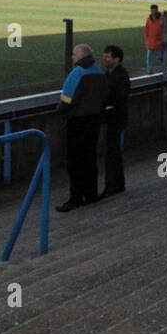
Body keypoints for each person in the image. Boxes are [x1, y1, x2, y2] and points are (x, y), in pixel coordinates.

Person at [55, 43, 108, 212]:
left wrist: (62, 113)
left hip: (77, 122)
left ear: (81, 56)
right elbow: (105, 97)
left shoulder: (77, 73)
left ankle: (75, 198)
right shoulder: (99, 72)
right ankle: (91, 195)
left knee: (74, 161)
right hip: (94, 121)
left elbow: (66, 100)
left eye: (74, 54)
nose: (72, 57)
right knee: (90, 158)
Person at [101, 45, 131, 197]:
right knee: (113, 152)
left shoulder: (120, 75)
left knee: (112, 153)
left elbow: (119, 98)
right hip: (113, 118)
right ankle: (116, 184)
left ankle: (112, 186)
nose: (104, 59)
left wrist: (106, 106)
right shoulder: (112, 73)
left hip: (115, 119)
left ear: (116, 59)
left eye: (107, 56)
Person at [144, 4, 166, 73]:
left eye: (154, 10)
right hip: (150, 42)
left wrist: (163, 39)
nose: (153, 12)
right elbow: (146, 30)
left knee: (160, 56)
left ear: (157, 10)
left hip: (159, 42)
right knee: (149, 58)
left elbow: (165, 30)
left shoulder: (162, 18)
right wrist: (147, 39)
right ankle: (149, 71)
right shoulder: (149, 19)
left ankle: (165, 66)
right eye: (152, 11)